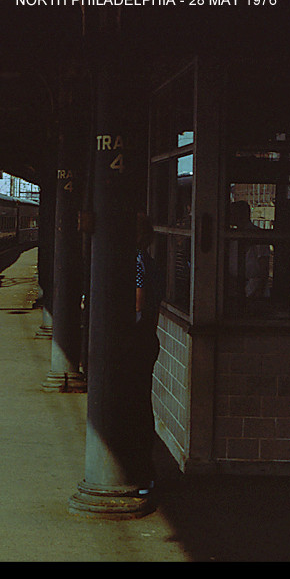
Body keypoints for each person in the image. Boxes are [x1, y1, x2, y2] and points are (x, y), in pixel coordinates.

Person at [130, 212, 162, 494]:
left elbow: (138, 303)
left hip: (137, 341)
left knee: (135, 407)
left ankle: (141, 471)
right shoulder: (149, 262)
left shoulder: (137, 262)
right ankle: (144, 470)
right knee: (141, 405)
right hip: (148, 339)